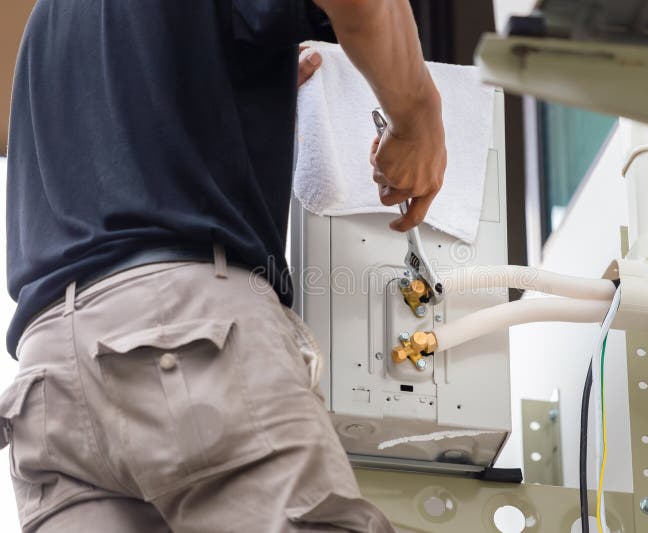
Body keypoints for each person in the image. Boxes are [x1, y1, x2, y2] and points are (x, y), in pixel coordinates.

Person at [1, 1, 446, 531]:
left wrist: (255, 96)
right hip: (181, 331)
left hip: (49, 384)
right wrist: (420, 117)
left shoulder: (55, 17)